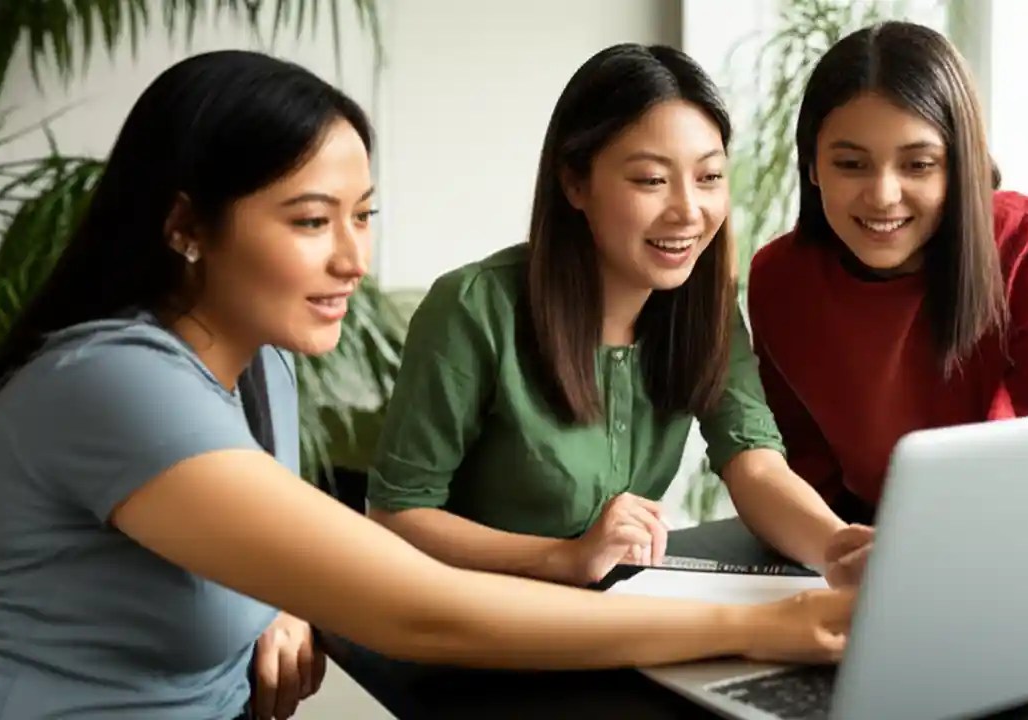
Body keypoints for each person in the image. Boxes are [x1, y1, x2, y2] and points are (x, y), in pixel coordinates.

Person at [0, 50, 858, 720]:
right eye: (310, 220)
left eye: (364, 215)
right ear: (185, 226)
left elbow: (237, 542)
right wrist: (755, 627)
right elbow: (416, 609)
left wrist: (275, 604)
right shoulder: (113, 384)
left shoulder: (261, 365)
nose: (353, 259)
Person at [367, 43, 870, 590]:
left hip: (614, 613)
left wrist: (837, 547)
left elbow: (753, 461)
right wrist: (563, 557)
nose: (688, 211)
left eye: (708, 178)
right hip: (480, 625)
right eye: (652, 180)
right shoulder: (472, 309)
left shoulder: (705, 306)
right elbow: (396, 518)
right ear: (575, 183)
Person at [746, 21, 1028, 526]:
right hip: (854, 541)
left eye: (918, 165)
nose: (883, 195)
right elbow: (798, 464)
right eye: (851, 164)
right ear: (812, 166)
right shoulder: (780, 278)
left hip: (1015, 528)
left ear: (960, 165)